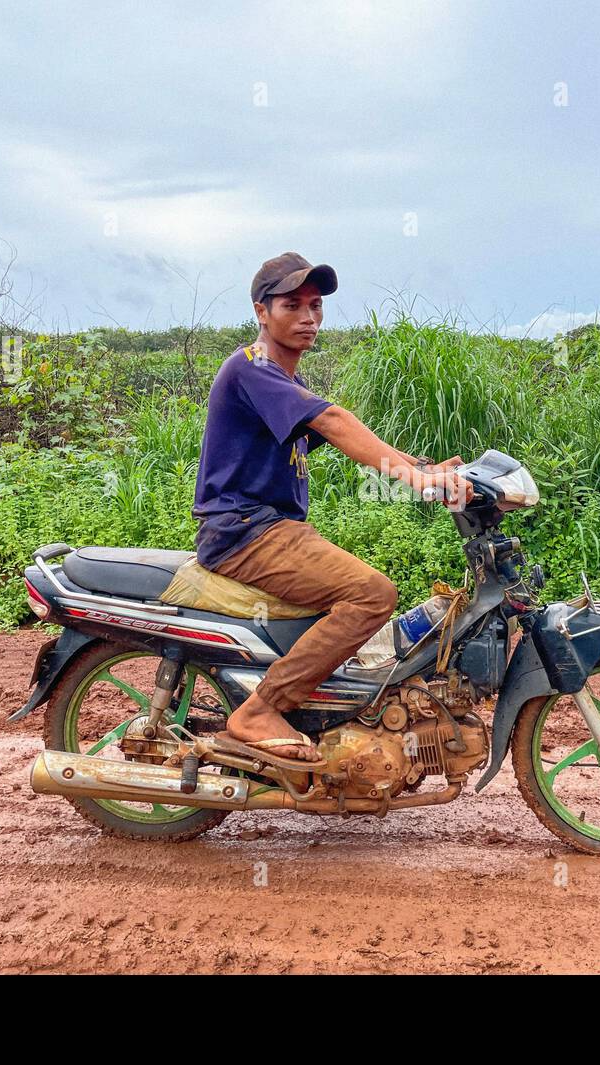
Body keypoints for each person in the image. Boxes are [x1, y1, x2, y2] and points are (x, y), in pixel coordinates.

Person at [190, 252, 474, 762]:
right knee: (371, 595)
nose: (308, 317)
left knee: (358, 593)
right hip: (245, 531)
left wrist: (423, 467)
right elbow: (334, 420)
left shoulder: (284, 383)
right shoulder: (252, 368)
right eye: (292, 305)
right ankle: (259, 711)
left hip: (272, 528)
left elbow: (339, 432)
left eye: (316, 306)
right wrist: (413, 478)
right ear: (261, 311)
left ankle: (327, 710)